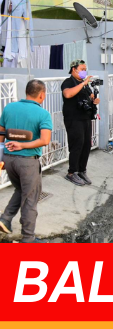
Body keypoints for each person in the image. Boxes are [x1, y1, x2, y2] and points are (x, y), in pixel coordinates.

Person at [0, 79, 53, 242]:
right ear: (42, 95)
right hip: (28, 162)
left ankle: (5, 219)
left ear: (27, 92)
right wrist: (22, 145)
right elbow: (45, 140)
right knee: (31, 198)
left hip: (8, 160)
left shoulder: (9, 108)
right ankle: (28, 239)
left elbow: (1, 135)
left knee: (21, 190)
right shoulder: (43, 114)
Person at [61, 59, 98, 186]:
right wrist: (83, 84)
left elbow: (88, 98)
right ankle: (72, 173)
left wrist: (93, 101)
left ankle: (82, 170)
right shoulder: (68, 82)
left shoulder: (84, 83)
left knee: (86, 145)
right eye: (82, 69)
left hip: (85, 118)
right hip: (73, 118)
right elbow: (68, 94)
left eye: (85, 69)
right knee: (77, 144)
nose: (84, 72)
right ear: (74, 69)